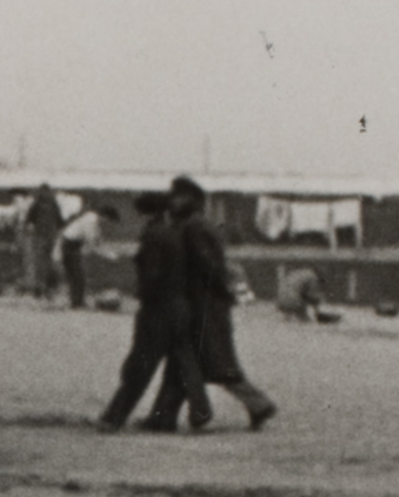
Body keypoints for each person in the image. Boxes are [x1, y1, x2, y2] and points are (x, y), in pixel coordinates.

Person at [153, 177, 277, 431]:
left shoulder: (193, 227)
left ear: (190, 199)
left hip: (202, 306)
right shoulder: (198, 225)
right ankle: (163, 416)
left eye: (177, 197)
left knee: (210, 363)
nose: (172, 202)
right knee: (191, 362)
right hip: (207, 305)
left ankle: (258, 404)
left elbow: (207, 265)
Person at [95, 191, 193, 431]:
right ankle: (163, 418)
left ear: (144, 213)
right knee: (177, 367)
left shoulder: (153, 235)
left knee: (141, 364)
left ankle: (113, 417)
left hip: (158, 309)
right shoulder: (176, 233)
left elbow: (151, 275)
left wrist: (142, 297)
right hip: (182, 307)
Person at [23, 185, 64, 304]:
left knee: (39, 263)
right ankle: (50, 289)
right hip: (51, 236)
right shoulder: (54, 204)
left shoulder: (37, 203)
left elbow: (29, 220)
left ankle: (38, 289)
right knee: (51, 262)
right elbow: (60, 221)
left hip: (39, 236)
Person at [58, 204, 104, 309]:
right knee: (77, 274)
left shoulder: (90, 218)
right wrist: (95, 249)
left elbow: (96, 235)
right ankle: (77, 302)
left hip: (70, 243)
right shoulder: (91, 220)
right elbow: (90, 237)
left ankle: (77, 301)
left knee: (76, 275)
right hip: (71, 244)